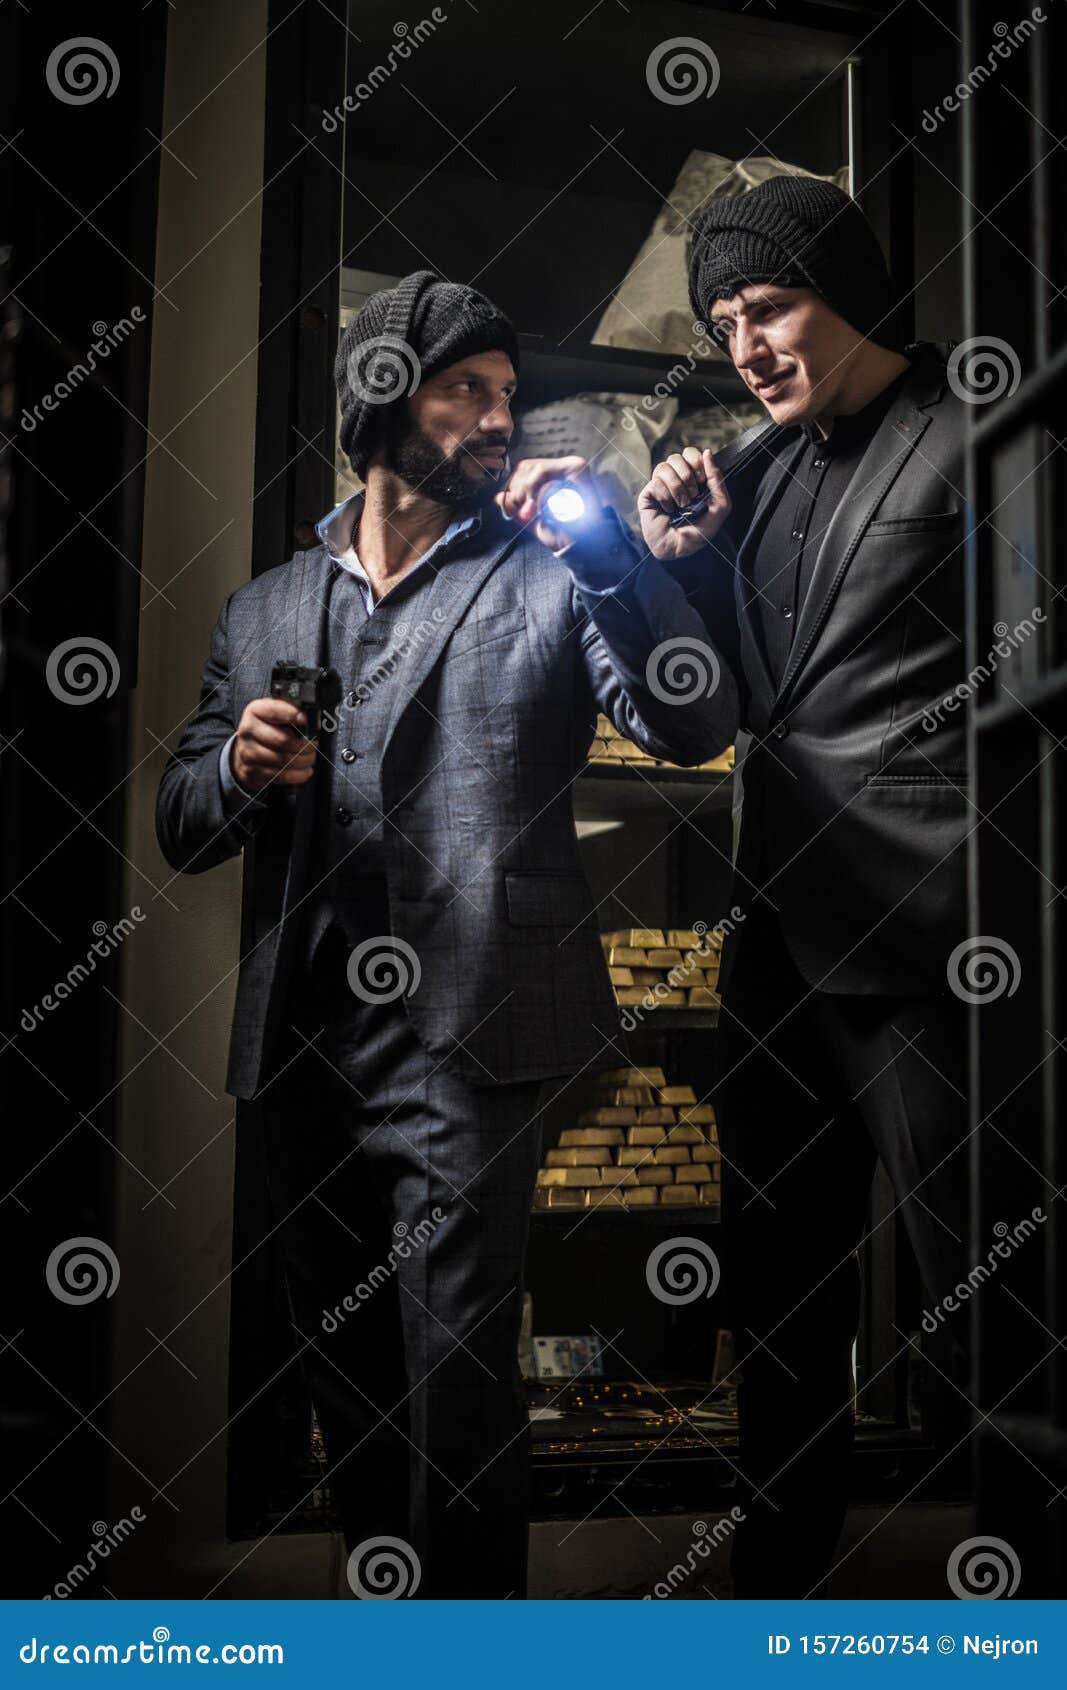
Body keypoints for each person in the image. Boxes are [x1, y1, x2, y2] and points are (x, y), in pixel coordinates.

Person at [155, 269, 736, 1599]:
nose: (497, 418)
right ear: (381, 402)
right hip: (305, 1039)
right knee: (348, 1376)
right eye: (464, 390)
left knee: (459, 1379)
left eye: (506, 394)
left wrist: (612, 558)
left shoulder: (549, 576)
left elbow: (691, 720)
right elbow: (182, 821)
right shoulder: (265, 607)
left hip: (473, 1033)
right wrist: (237, 767)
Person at [632, 176, 974, 1596]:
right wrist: (655, 567)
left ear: (850, 292)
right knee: (777, 1305)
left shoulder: (978, 430)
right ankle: (768, 1602)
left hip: (932, 939)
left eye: (769, 307)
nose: (748, 347)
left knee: (987, 1299)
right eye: (725, 323)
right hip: (773, 942)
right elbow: (696, 711)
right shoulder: (748, 478)